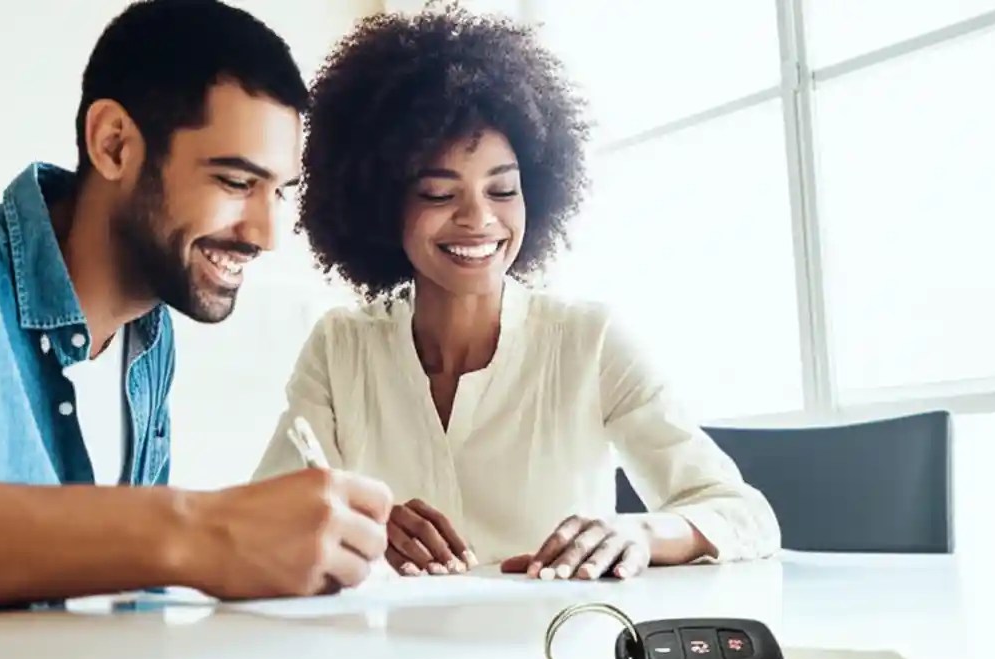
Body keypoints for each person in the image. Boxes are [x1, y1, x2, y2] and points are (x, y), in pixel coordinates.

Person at [0, 0, 392, 614]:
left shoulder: (149, 334)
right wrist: (197, 531)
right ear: (114, 144)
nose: (265, 233)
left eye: (280, 192)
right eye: (234, 183)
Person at [252, 8, 779, 581]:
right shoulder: (340, 349)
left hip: (560, 657)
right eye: (437, 193)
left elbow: (744, 514)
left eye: (502, 189)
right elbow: (261, 528)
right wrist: (358, 530)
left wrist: (639, 531)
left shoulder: (587, 342)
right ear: (382, 204)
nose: (479, 219)